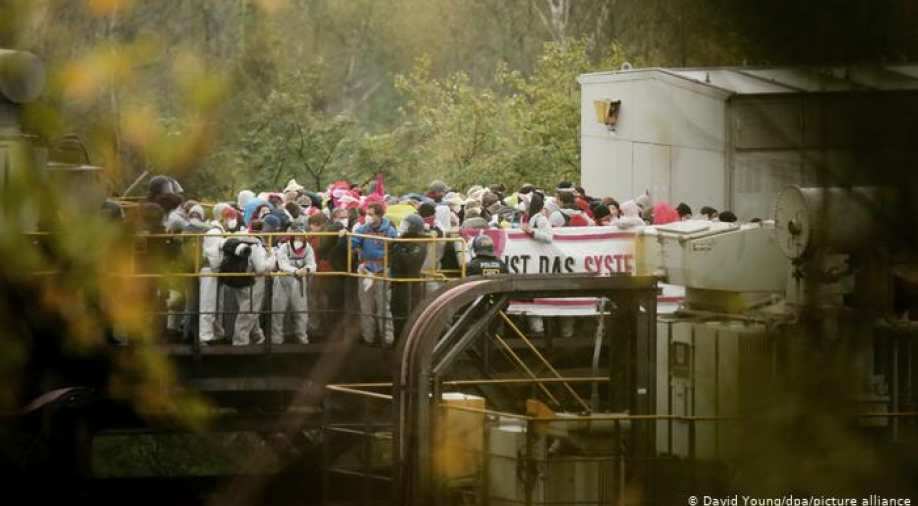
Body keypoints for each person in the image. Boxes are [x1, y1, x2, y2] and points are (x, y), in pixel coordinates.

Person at [352, 202, 398, 345]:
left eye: (371, 214)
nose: (368, 217)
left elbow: (394, 248)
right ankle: (368, 338)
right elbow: (353, 242)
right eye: (367, 214)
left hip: (382, 271)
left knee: (384, 307)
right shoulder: (362, 229)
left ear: (379, 215)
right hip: (365, 271)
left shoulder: (389, 231)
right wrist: (347, 237)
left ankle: (387, 339)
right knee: (366, 307)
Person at [271, 223, 316, 344]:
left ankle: (302, 339)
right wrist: (295, 271)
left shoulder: (308, 248)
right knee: (278, 311)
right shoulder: (284, 247)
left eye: (301, 236)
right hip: (282, 281)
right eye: (296, 236)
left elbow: (312, 264)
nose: (298, 239)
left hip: (299, 283)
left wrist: (306, 269)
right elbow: (282, 264)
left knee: (301, 311)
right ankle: (276, 340)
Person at [390, 214, 428, 341]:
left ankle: (405, 343)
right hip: (398, 283)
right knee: (396, 313)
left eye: (406, 225)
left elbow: (410, 264)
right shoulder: (403, 241)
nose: (403, 227)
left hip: (409, 285)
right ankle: (398, 341)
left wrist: (399, 247)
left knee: (406, 316)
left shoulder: (419, 244)